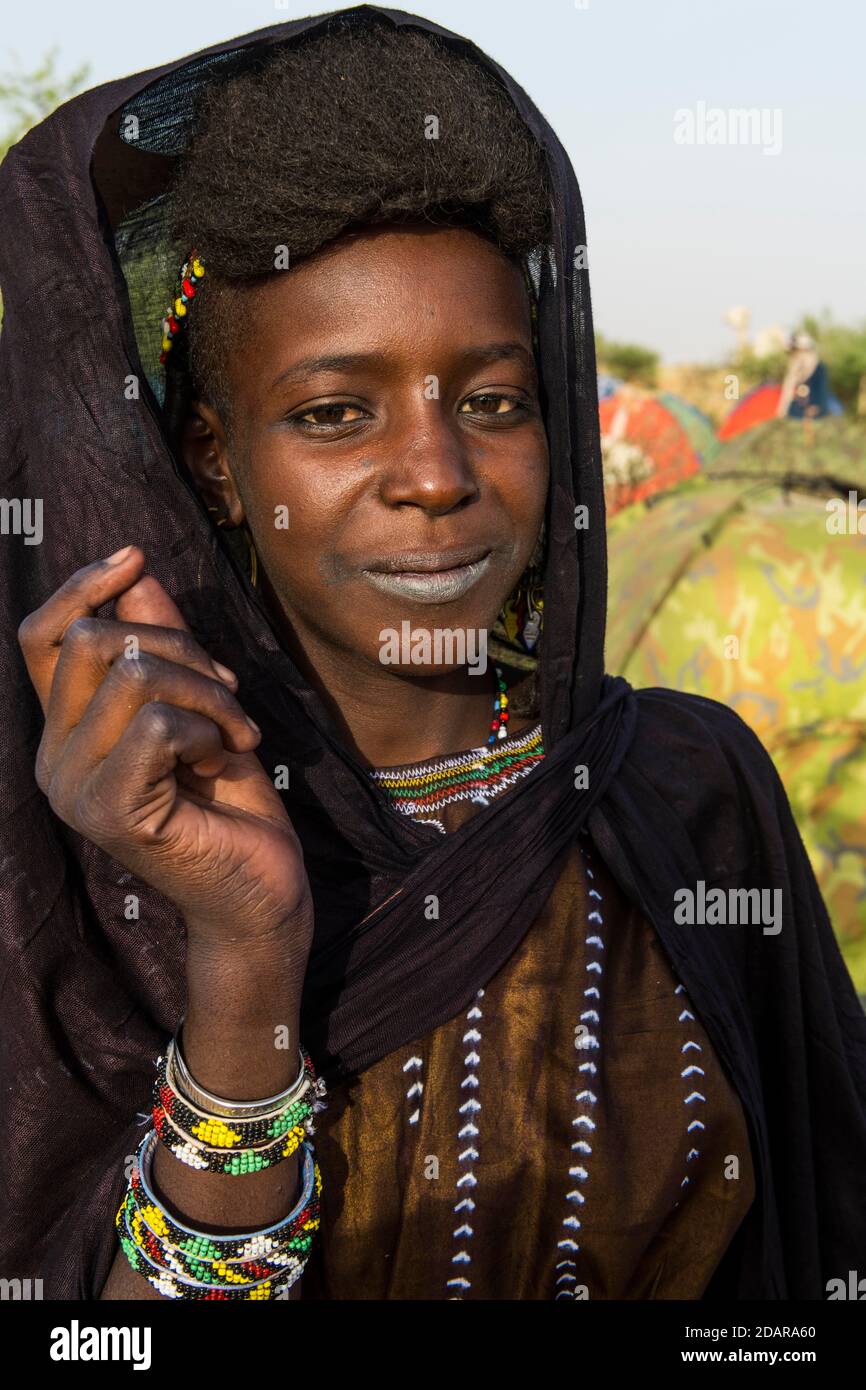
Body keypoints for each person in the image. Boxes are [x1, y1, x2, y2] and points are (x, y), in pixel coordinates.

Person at [1, 6, 865, 1302]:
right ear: (217, 466)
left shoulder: (689, 788)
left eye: (491, 400)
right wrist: (244, 952)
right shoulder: (99, 857)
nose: (436, 475)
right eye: (335, 412)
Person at [776, 331, 832, 419]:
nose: (795, 355)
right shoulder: (794, 370)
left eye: (797, 351)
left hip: (814, 412)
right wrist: (782, 411)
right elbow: (788, 392)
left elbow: (821, 393)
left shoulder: (818, 369)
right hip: (798, 411)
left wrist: (816, 406)